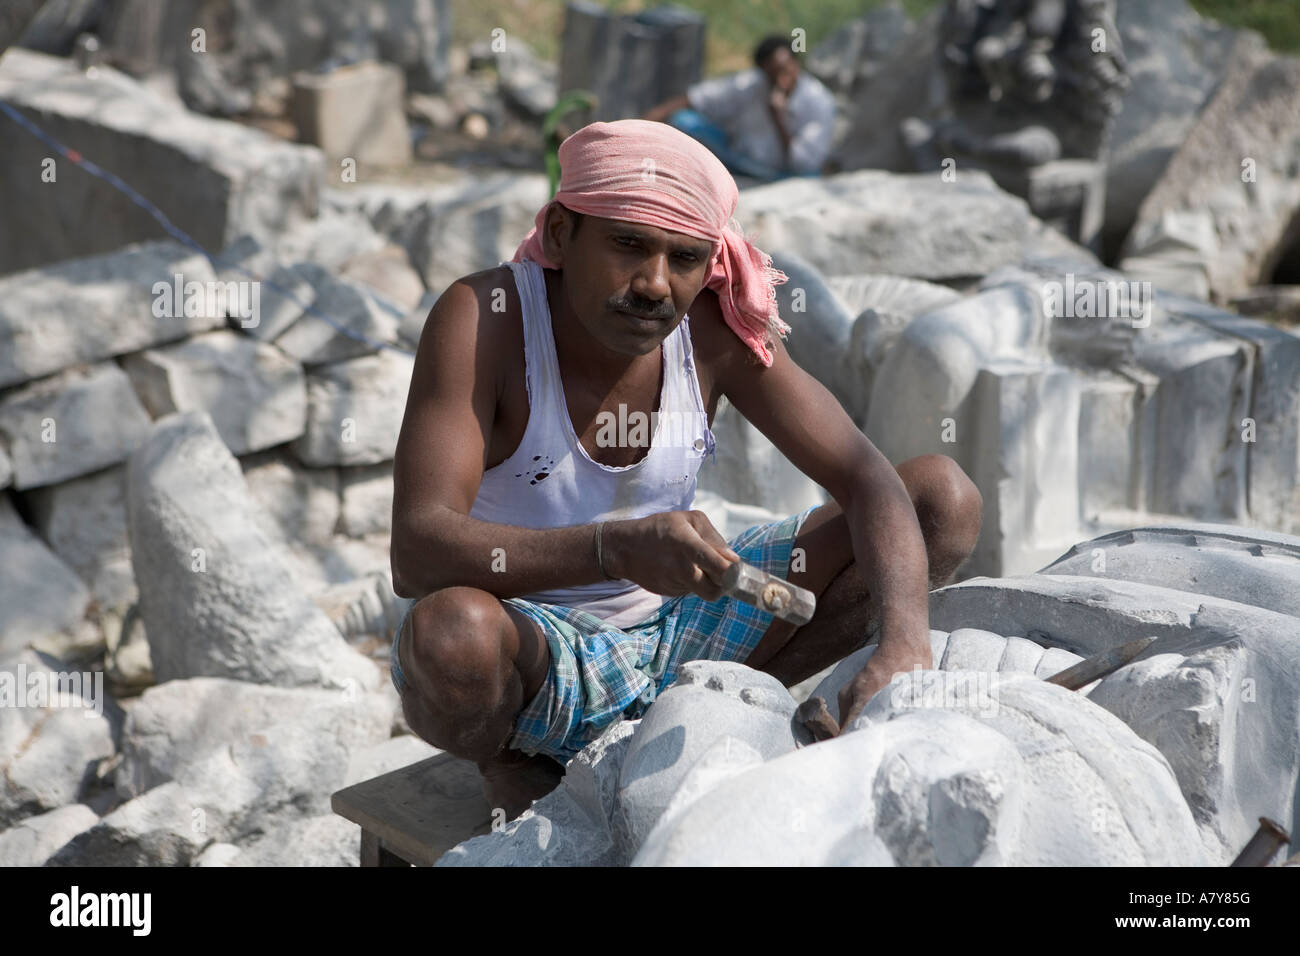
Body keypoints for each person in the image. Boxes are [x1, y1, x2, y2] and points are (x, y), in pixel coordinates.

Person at [389, 120, 982, 817]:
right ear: (561, 234)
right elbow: (415, 552)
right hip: (539, 651)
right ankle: (515, 759)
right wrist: (611, 549)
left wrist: (903, 646)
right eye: (628, 245)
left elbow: (866, 476)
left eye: (686, 258)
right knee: (452, 635)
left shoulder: (710, 329)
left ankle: (722, 705)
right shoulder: (486, 317)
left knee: (942, 499)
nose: (654, 284)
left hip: (681, 631)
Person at [643, 34, 836, 181]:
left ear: (796, 65)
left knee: (807, 177)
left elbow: (802, 164)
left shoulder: (819, 101)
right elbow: (700, 98)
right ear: (763, 72)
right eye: (773, 74)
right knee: (684, 120)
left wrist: (778, 116)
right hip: (740, 160)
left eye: (785, 70)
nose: (780, 80)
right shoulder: (750, 84)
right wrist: (644, 124)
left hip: (783, 174)